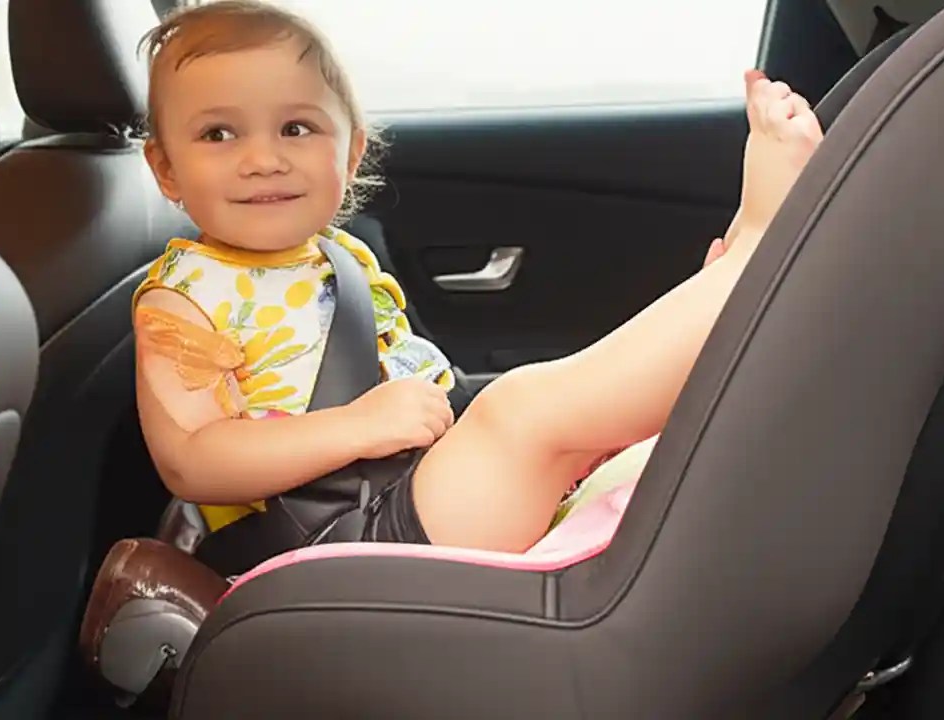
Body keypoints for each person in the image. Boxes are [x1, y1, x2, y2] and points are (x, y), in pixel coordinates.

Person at [134, 0, 824, 555]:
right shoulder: (183, 300)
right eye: (219, 134)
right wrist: (355, 427)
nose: (263, 159)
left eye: (296, 128)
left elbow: (414, 375)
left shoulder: (339, 256)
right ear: (166, 169)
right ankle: (752, 261)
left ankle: (721, 298)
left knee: (562, 402)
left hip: (418, 481)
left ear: (351, 153)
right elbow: (193, 459)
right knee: (518, 408)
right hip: (338, 535)